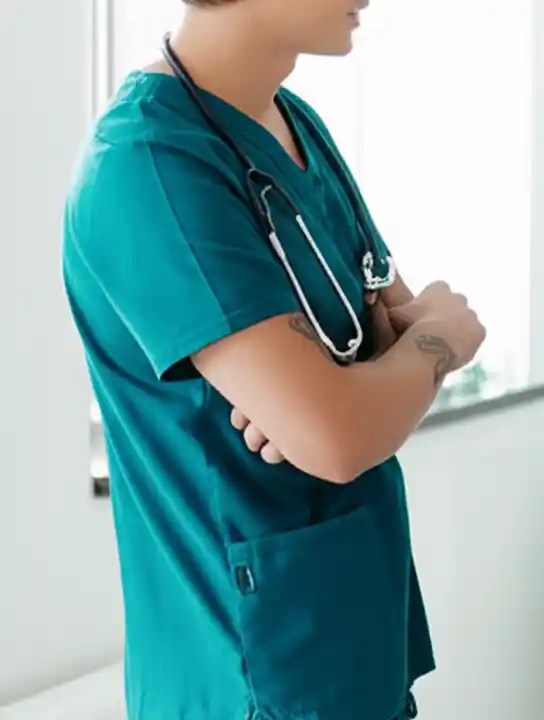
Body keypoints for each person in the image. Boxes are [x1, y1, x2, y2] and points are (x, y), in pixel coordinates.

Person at [62, 1, 486, 718]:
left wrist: (378, 372)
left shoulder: (293, 126)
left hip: (352, 655)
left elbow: (386, 338)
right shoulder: (150, 163)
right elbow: (341, 432)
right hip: (249, 677)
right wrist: (425, 350)